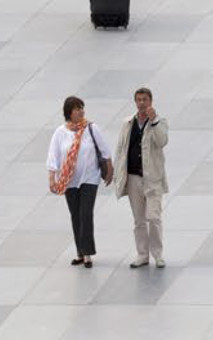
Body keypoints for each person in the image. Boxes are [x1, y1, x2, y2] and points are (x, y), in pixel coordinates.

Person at [48, 95, 113, 267]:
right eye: (78, 109)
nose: (81, 111)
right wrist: (52, 179)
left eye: (82, 108)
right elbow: (53, 156)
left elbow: (105, 151)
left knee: (86, 213)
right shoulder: (60, 132)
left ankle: (88, 253)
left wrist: (109, 171)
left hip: (89, 178)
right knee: (75, 215)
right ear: (69, 112)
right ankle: (80, 252)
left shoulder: (91, 128)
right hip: (69, 180)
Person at [114, 87, 167, 270]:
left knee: (154, 217)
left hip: (152, 179)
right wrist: (117, 173)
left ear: (151, 101)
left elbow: (162, 141)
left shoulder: (160, 122)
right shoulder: (128, 123)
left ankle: (158, 255)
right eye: (138, 100)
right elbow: (121, 148)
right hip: (133, 178)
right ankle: (142, 254)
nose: (142, 103)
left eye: (145, 99)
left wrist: (154, 122)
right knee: (139, 220)